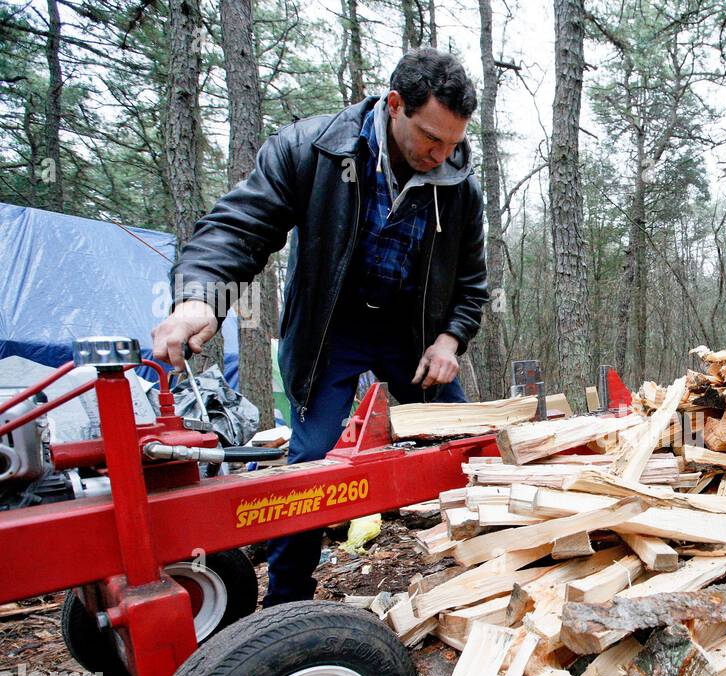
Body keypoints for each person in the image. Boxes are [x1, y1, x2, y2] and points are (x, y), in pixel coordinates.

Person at [151, 48, 489, 606]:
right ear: (395, 104)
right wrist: (200, 297)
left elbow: (472, 283)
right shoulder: (314, 149)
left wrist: (450, 339)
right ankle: (286, 600)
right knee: (311, 470)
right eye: (432, 138)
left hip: (414, 336)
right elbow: (242, 225)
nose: (443, 154)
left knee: (465, 449)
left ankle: (490, 579)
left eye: (455, 142)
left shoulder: (457, 181)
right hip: (330, 332)